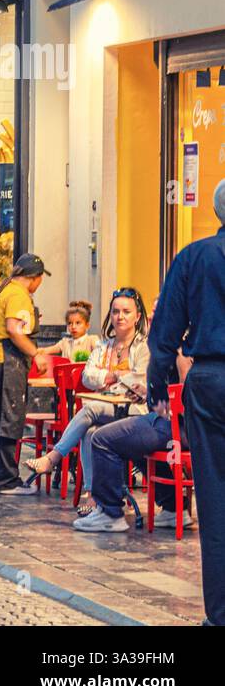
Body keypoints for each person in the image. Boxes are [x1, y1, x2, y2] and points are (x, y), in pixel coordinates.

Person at [132, 179, 225, 625]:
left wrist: (157, 385)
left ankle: (219, 613)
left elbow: (164, 333)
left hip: (210, 382)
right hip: (209, 379)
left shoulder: (193, 257)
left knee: (215, 496)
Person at [23, 289, 150, 515]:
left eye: (126, 312)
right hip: (110, 409)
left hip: (136, 412)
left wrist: (114, 378)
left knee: (90, 409)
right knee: (90, 432)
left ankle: (53, 458)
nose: (120, 317)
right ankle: (93, 495)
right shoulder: (104, 346)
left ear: (137, 316)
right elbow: (87, 376)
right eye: (116, 312)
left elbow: (140, 379)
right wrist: (114, 376)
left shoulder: (143, 347)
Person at [0, 253, 50, 494]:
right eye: (41, 279)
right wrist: (36, 353)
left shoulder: (8, 291)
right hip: (5, 364)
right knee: (10, 421)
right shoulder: (19, 295)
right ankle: (7, 480)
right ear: (34, 277)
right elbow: (14, 330)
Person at [37, 301, 100, 367]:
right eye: (70, 323)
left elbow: (101, 354)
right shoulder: (65, 343)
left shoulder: (92, 340)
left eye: (78, 323)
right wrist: (34, 352)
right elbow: (45, 350)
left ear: (87, 325)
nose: (73, 327)